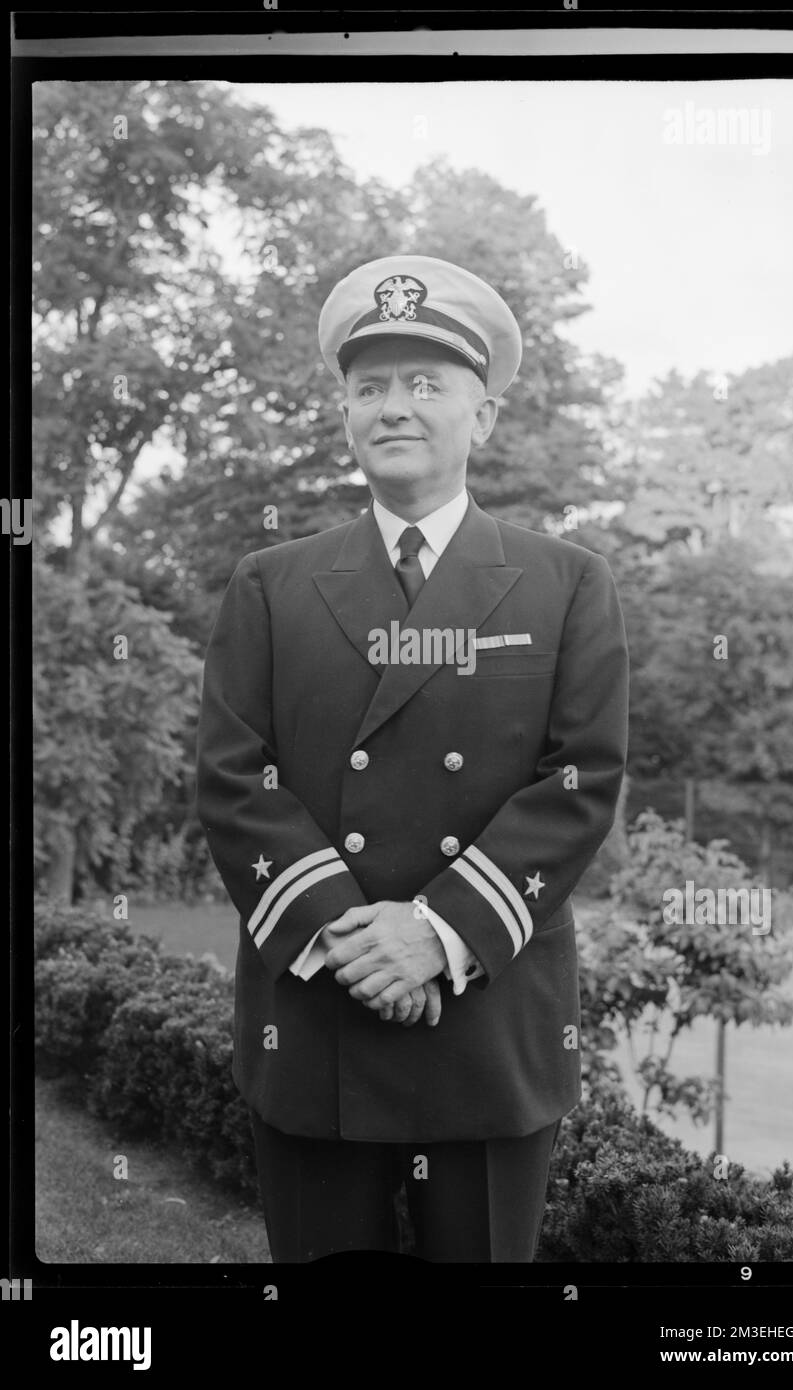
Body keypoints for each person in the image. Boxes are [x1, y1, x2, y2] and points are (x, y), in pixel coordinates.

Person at [196, 254, 629, 1263]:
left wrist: (434, 935)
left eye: (425, 383)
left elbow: (578, 783)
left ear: (481, 417)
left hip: (486, 1025)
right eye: (370, 386)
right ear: (345, 413)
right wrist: (354, 941)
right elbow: (233, 780)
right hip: (315, 1016)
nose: (394, 406)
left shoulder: (567, 584)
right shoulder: (268, 584)